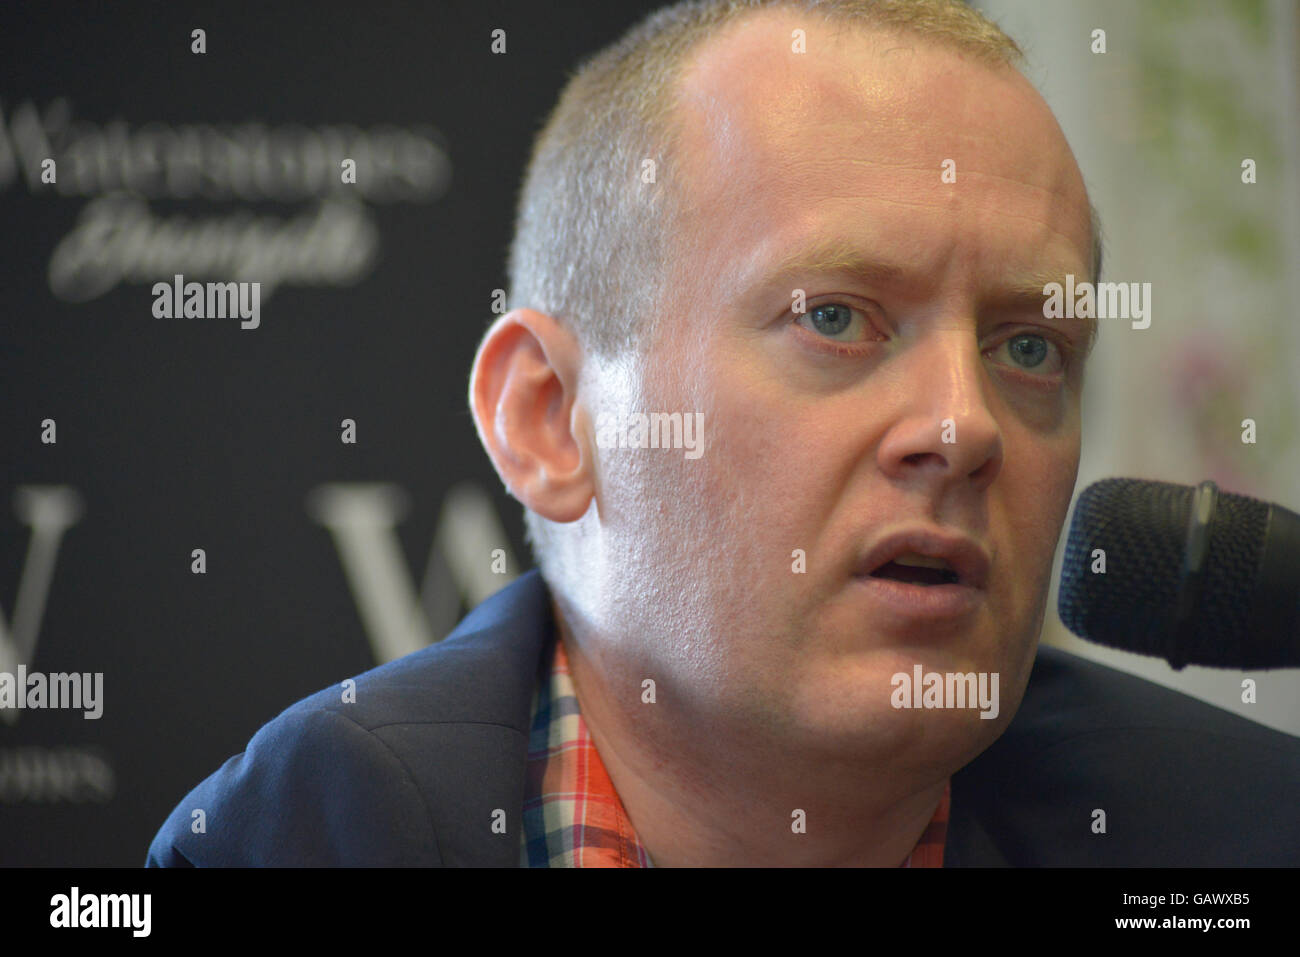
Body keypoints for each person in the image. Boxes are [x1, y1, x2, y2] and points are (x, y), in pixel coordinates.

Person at [147, 0, 1300, 867]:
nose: (962, 428)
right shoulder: (298, 837)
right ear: (550, 420)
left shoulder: (1234, 839)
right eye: (835, 319)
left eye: (1029, 346)